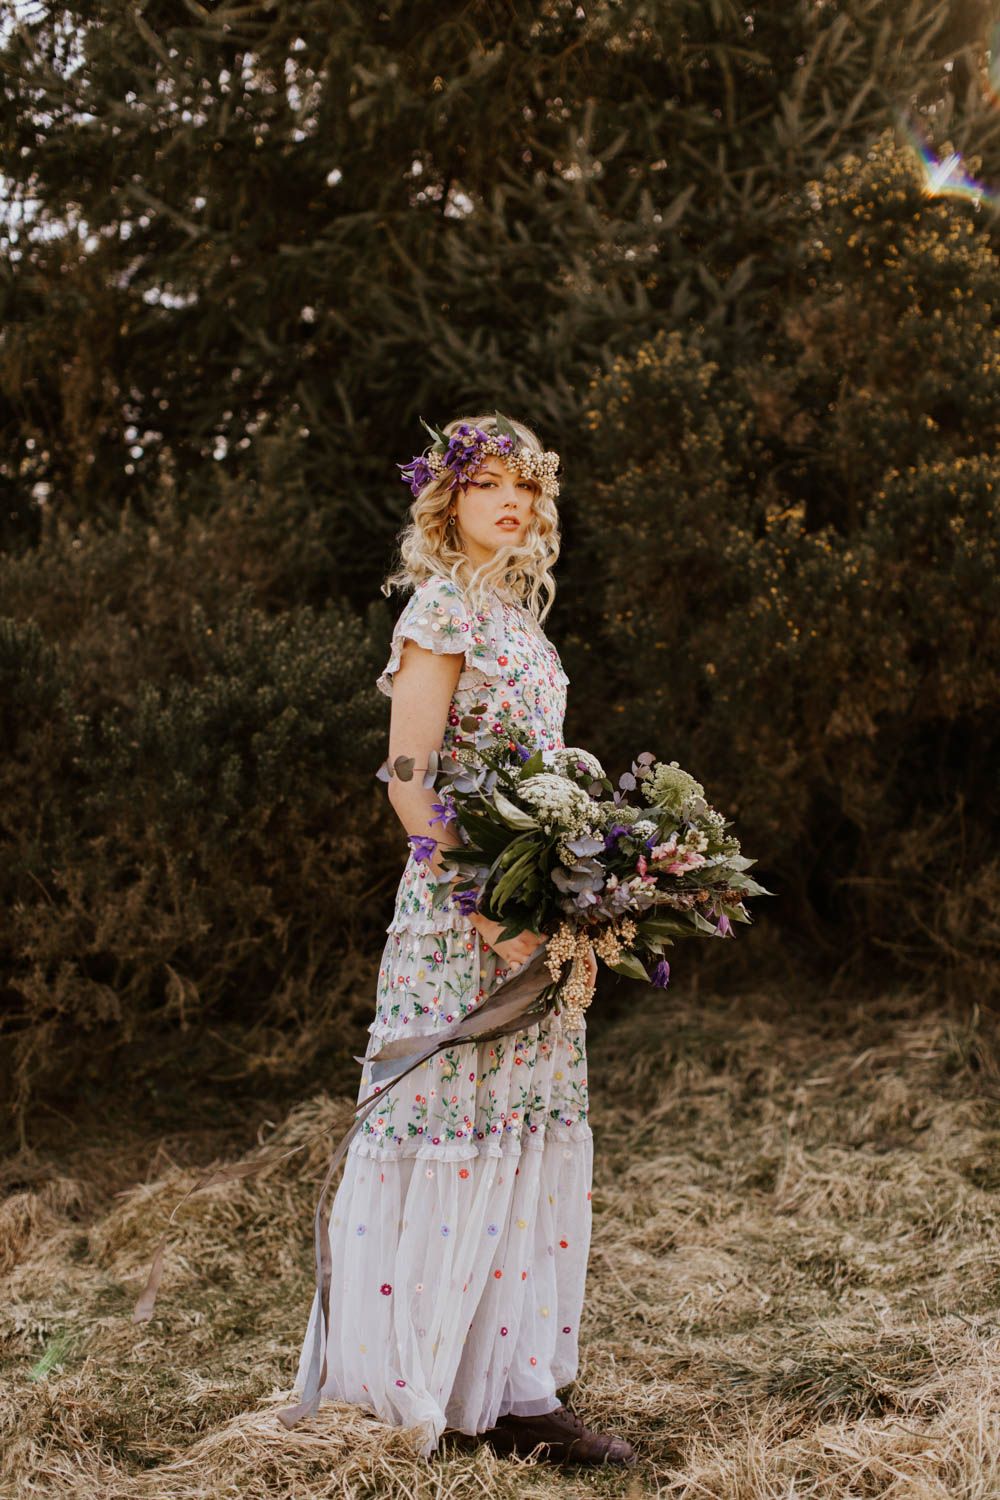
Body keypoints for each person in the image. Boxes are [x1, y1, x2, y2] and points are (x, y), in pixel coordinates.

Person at [291, 412, 636, 1467]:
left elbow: (543, 776)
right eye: (489, 484)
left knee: (521, 1133)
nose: (512, 502)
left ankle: (516, 1393)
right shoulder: (438, 610)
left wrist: (584, 892)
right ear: (448, 503)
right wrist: (485, 910)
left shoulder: (527, 630)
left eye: (526, 488)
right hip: (458, 918)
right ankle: (414, 1396)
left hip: (536, 914)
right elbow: (410, 776)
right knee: (450, 1128)